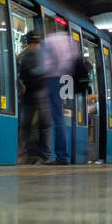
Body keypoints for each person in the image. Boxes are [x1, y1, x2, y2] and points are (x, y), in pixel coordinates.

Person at [41, 30, 80, 164]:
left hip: (54, 79)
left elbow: (46, 65)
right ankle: (64, 155)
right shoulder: (70, 40)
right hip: (66, 79)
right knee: (61, 118)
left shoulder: (50, 38)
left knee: (57, 119)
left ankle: (62, 156)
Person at [16, 31, 53, 163]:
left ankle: (22, 154)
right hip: (42, 92)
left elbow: (16, 62)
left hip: (31, 93)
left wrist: (24, 81)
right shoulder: (44, 54)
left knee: (26, 125)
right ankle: (45, 155)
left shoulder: (27, 56)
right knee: (45, 126)